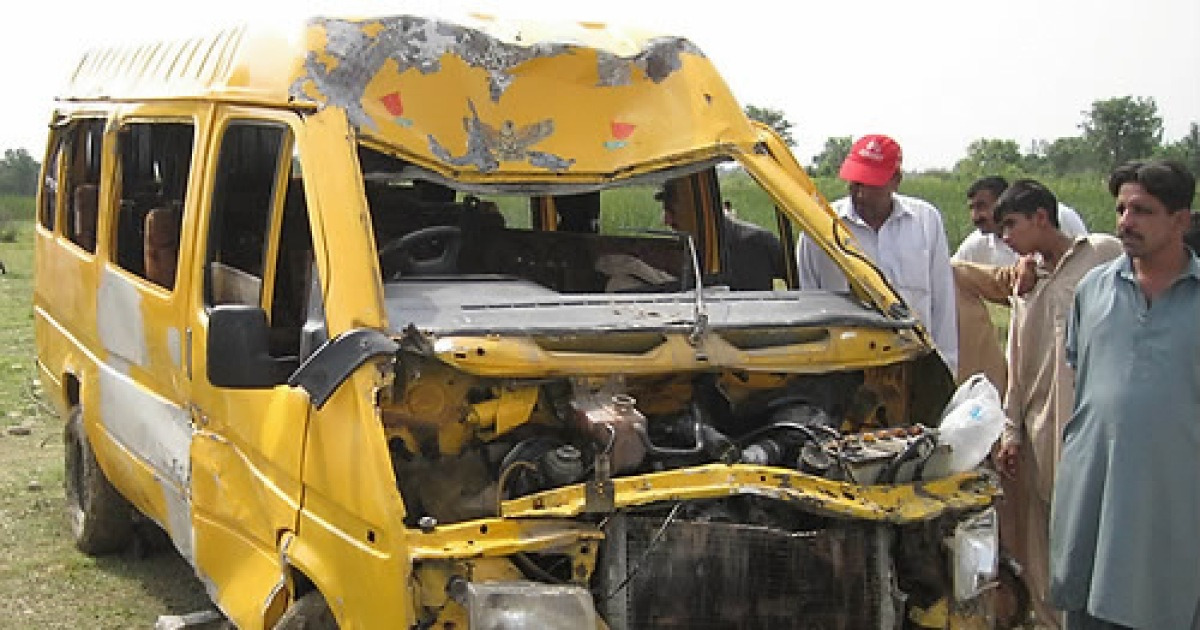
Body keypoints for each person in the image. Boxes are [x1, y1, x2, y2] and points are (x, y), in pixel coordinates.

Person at [963, 180, 1121, 629]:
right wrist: (1010, 430)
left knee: (1092, 529)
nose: (1005, 239)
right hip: (1039, 428)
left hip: (1091, 425)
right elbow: (1017, 362)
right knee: (1040, 538)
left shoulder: (1103, 256)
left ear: (1041, 218)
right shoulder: (1025, 283)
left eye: (1011, 225)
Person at [1049, 160, 1199, 630]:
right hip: (1095, 495)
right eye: (1121, 209)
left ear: (1181, 220)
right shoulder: (1093, 290)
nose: (1125, 222)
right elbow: (1083, 376)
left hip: (1174, 501)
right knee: (1091, 604)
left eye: (1142, 210)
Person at [796, 134, 958, 372]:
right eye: (855, 182)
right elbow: (808, 307)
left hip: (915, 365)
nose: (859, 192)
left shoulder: (925, 221)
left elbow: (942, 302)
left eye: (870, 184)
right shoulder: (819, 230)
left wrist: (947, 366)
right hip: (845, 368)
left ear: (896, 181)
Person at [658, 183, 784, 291]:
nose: (665, 220)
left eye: (671, 210)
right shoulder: (682, 250)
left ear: (698, 205)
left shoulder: (758, 242)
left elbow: (799, 283)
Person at [954, 175, 1090, 266]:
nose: (975, 217)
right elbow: (952, 271)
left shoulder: (1063, 217)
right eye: (971, 208)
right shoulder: (977, 244)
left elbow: (1084, 258)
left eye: (982, 206)